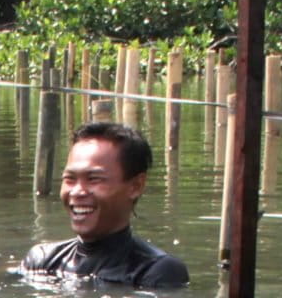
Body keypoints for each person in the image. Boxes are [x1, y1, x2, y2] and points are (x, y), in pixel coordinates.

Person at [21, 121, 187, 287]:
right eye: (70, 179)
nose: (78, 191)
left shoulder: (157, 271)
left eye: (94, 179)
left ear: (135, 186)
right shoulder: (42, 260)